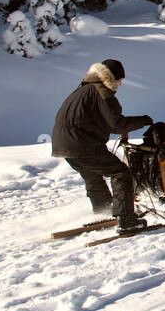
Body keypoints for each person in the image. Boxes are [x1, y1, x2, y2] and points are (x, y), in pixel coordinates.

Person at [52, 59, 153, 234]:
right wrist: (142, 121)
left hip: (63, 144)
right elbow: (117, 124)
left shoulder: (83, 89)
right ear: (112, 78)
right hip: (82, 144)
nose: (121, 84)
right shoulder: (102, 91)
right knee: (120, 173)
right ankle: (126, 220)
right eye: (120, 80)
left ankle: (103, 212)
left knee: (92, 175)